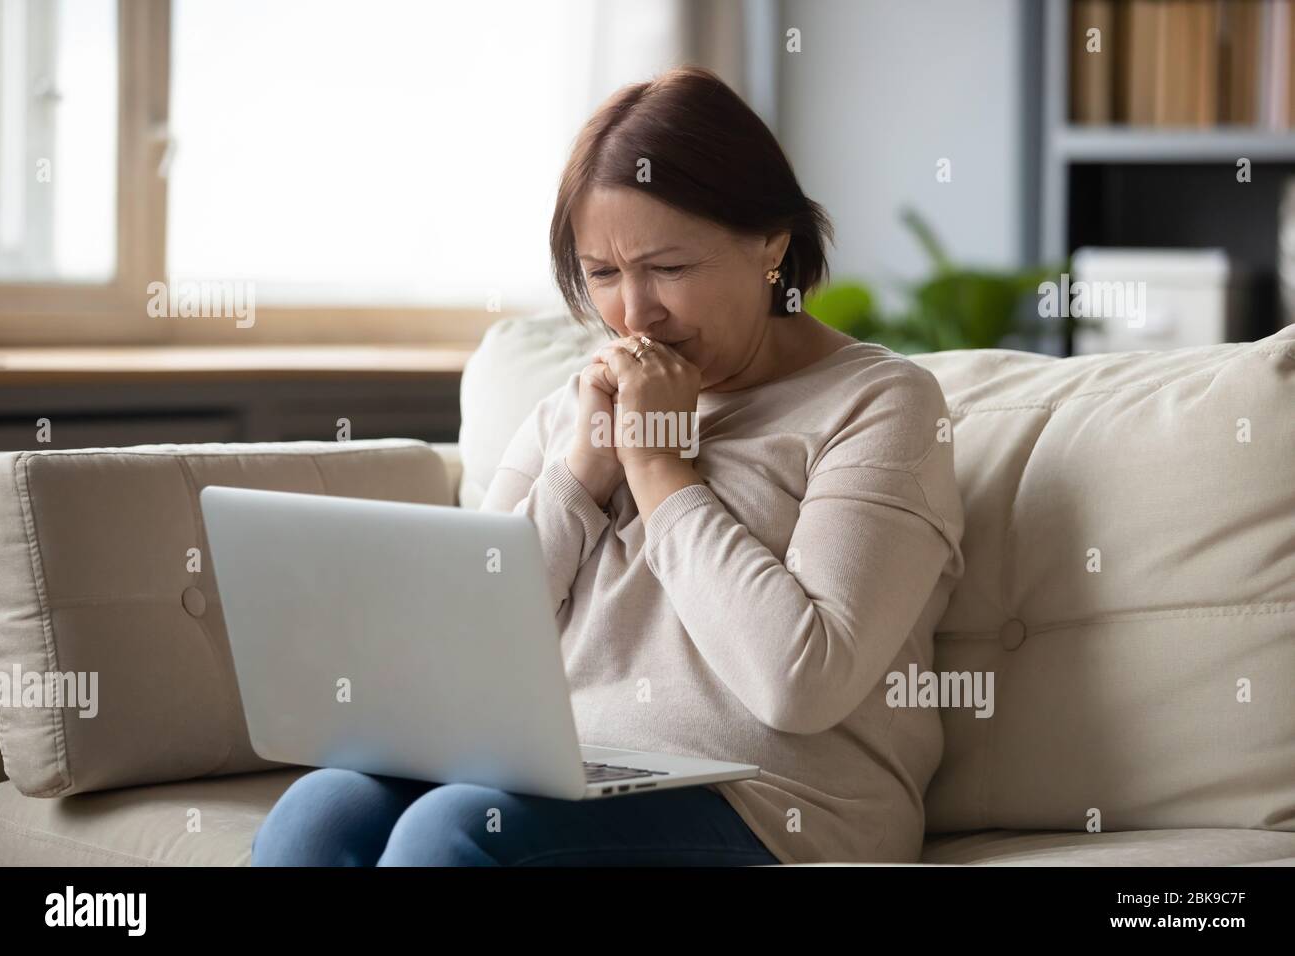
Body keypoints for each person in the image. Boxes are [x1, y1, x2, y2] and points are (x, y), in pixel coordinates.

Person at [252, 65, 964, 867]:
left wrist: (658, 464)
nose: (635, 311)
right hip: (562, 776)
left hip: (778, 806)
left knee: (447, 832)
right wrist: (582, 474)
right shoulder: (572, 409)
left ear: (772, 241)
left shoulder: (881, 406)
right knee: (322, 808)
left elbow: (799, 683)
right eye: (602, 275)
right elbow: (460, 657)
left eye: (670, 268)